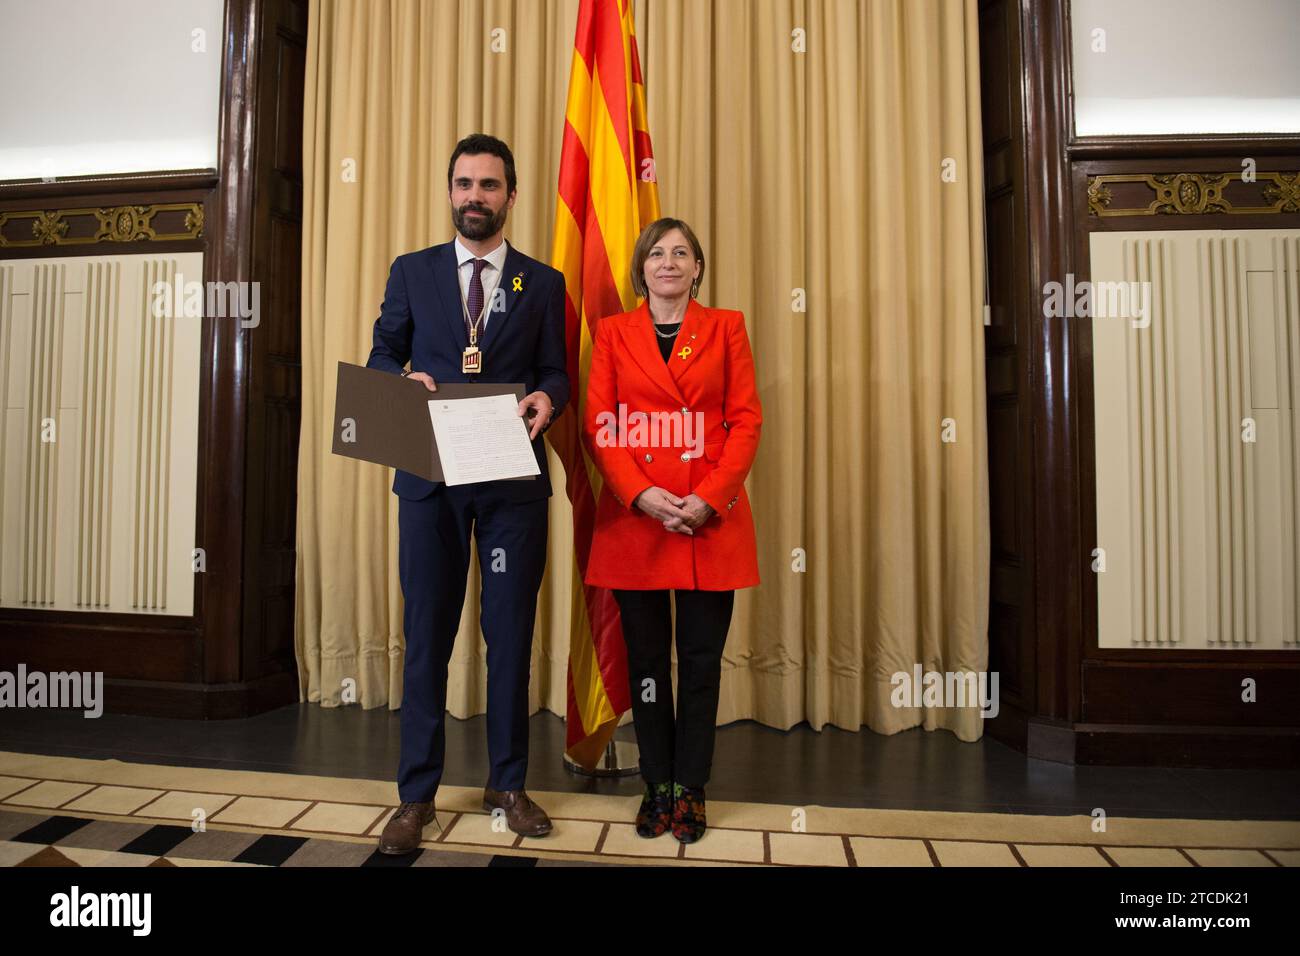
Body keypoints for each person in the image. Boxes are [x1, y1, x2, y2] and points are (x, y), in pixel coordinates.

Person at [367, 133, 569, 854]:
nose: (474, 197)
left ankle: (508, 784)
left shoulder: (542, 284)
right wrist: (400, 380)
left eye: (489, 185)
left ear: (512, 196)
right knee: (426, 639)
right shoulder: (412, 272)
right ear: (450, 191)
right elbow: (383, 350)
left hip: (512, 482)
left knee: (509, 636)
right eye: (464, 184)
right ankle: (414, 796)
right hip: (430, 480)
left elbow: (557, 371)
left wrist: (549, 399)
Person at [582, 218, 762, 843]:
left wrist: (708, 498)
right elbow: (601, 423)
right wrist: (642, 494)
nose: (668, 262)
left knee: (702, 663)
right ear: (641, 267)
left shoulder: (726, 327)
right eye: (657, 253)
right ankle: (655, 786)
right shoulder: (613, 333)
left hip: (709, 520)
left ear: (697, 268)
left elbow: (745, 422)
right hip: (639, 519)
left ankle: (691, 789)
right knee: (649, 663)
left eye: (681, 253)